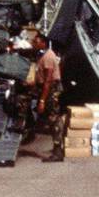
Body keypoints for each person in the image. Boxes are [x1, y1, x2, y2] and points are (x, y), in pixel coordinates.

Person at [32, 33, 68, 162]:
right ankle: (58, 149)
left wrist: (42, 100)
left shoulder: (48, 57)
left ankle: (58, 152)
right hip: (49, 89)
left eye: (36, 42)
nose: (33, 44)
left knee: (54, 119)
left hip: (51, 90)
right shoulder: (45, 55)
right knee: (54, 119)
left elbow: (48, 80)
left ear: (43, 43)